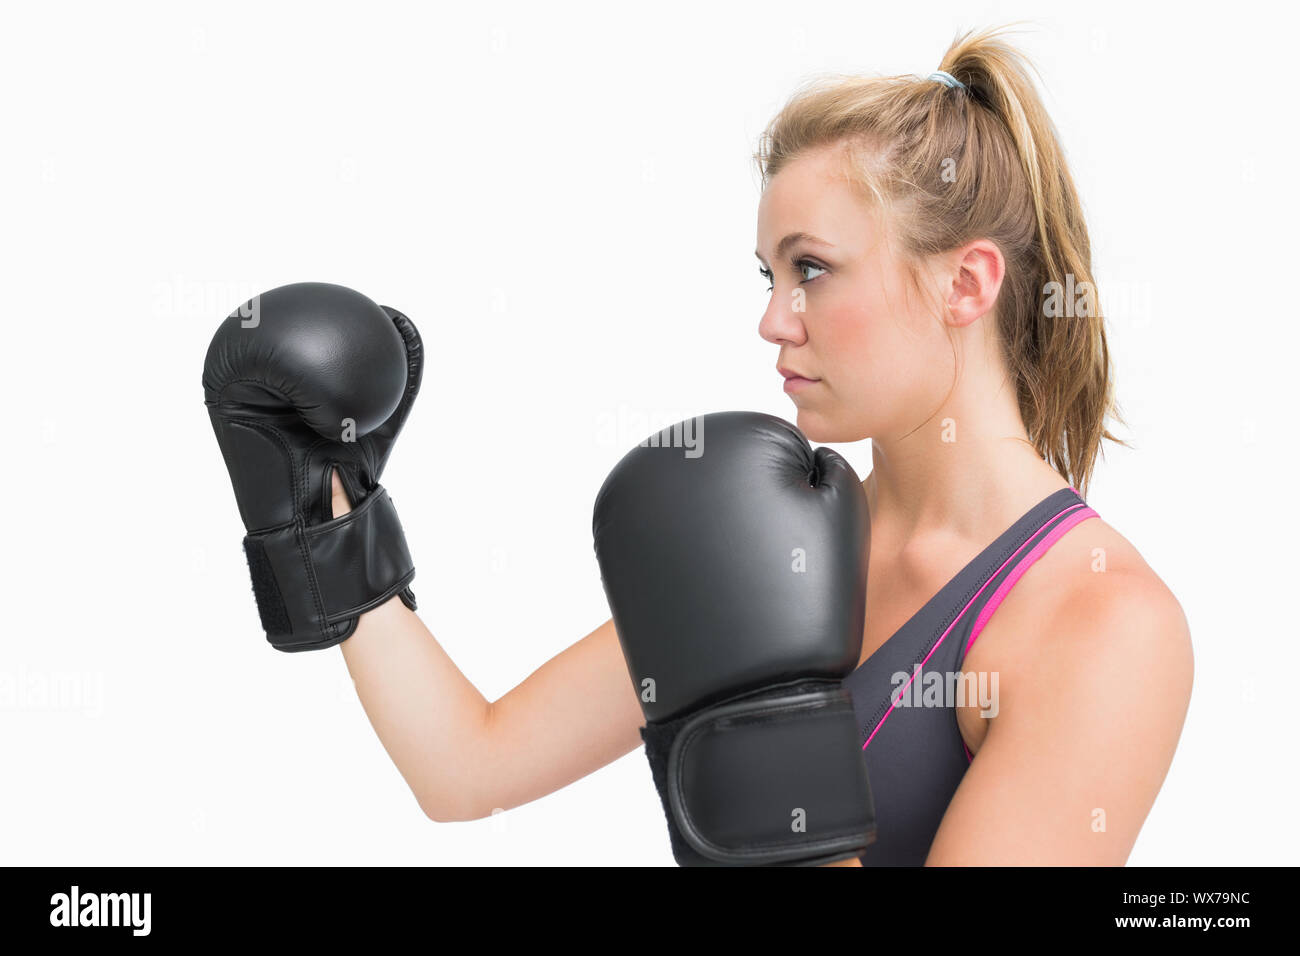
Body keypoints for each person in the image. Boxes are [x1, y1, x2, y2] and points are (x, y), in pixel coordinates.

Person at [212, 26, 1193, 866]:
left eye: (812, 269)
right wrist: (323, 509)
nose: (773, 319)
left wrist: (762, 739)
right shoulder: (786, 543)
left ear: (966, 285)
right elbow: (466, 765)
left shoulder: (1103, 621)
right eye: (766, 274)